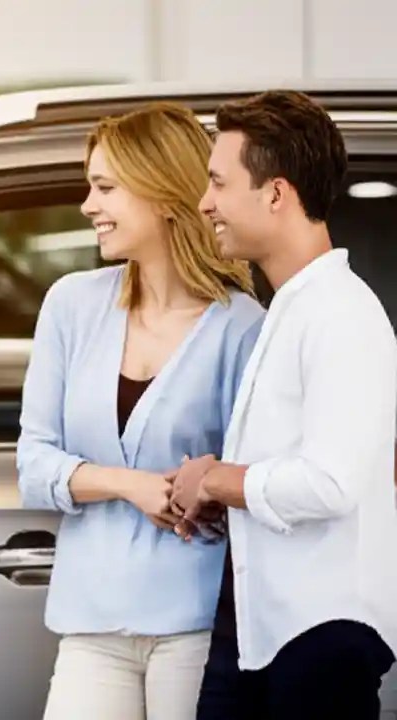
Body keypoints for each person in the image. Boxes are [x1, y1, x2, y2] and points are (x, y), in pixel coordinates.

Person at [15, 102, 264, 720]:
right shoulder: (71, 305)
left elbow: (256, 477)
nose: (87, 205)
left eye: (105, 187)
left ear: (162, 194)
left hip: (200, 625)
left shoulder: (243, 327)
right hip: (91, 625)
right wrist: (134, 487)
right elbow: (33, 464)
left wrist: (208, 485)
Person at [174, 89, 397, 720]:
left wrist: (216, 479)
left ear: (275, 194)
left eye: (218, 182)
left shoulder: (341, 315)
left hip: (318, 642)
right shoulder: (293, 309)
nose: (204, 203)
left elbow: (330, 483)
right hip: (270, 635)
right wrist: (223, 494)